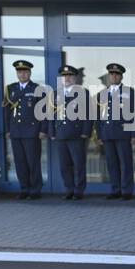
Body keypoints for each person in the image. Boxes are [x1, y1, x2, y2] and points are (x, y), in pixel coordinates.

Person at [3, 59, 46, 200]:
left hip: (32, 131)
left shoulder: (37, 89)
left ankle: (35, 190)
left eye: (24, 72)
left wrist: (42, 130)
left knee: (33, 162)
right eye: (19, 72)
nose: (22, 75)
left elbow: (43, 111)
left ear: (29, 73)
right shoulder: (10, 89)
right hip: (16, 131)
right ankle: (24, 188)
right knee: (20, 161)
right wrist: (8, 129)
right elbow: (7, 112)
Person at [50, 65, 93, 201]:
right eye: (65, 76)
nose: (67, 78)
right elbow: (51, 115)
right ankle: (69, 189)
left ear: (75, 78)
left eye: (69, 76)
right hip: (61, 134)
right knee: (65, 166)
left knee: (79, 165)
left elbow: (89, 114)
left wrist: (86, 132)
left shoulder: (83, 93)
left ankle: (79, 190)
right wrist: (52, 132)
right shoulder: (55, 94)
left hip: (77, 135)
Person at [96, 63, 135, 200]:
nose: (114, 76)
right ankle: (115, 189)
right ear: (109, 76)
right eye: (112, 74)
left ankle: (126, 190)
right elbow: (98, 116)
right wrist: (99, 134)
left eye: (117, 74)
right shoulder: (102, 94)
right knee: (112, 163)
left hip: (123, 133)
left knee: (125, 163)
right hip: (107, 133)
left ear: (121, 76)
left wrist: (134, 134)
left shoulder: (129, 92)